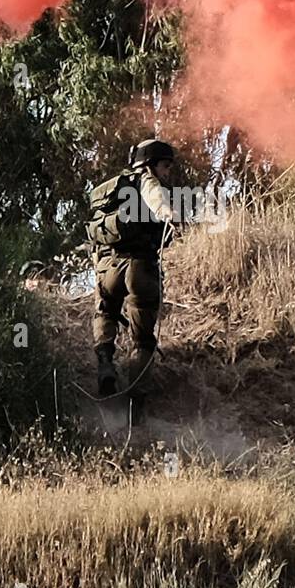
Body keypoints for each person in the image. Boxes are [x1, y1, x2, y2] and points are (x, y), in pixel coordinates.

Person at [86, 138, 182, 416]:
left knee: (104, 313)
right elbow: (156, 198)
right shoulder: (147, 181)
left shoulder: (114, 187)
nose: (167, 173)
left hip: (107, 268)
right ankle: (135, 408)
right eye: (165, 166)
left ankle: (105, 364)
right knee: (143, 341)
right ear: (150, 164)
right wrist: (170, 214)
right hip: (139, 269)